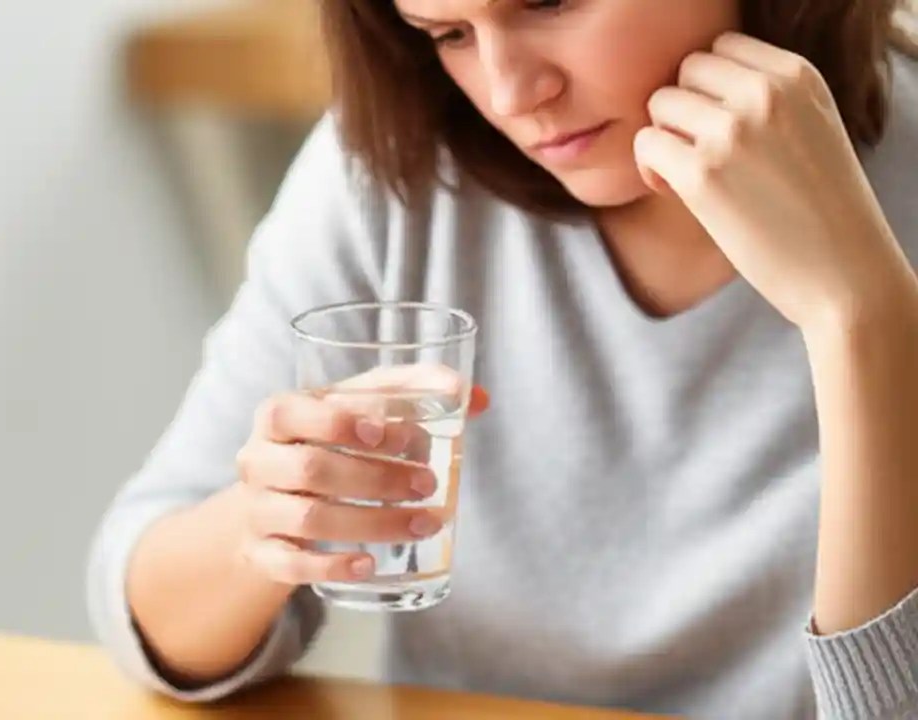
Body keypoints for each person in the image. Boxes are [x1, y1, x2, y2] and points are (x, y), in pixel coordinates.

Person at [88, 1, 918, 717]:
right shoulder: (394, 178)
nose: (513, 92)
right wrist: (263, 525)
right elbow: (143, 608)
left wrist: (863, 321)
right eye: (448, 31)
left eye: (550, 2)